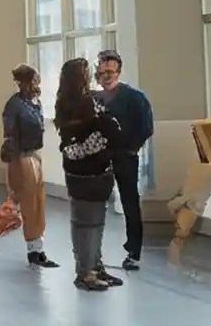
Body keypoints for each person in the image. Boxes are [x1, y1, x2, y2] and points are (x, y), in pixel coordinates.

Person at [0, 64, 58, 268]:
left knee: (29, 203)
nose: (36, 84)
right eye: (33, 80)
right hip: (22, 158)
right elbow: (10, 134)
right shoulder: (14, 105)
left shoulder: (34, 103)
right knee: (29, 204)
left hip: (34, 156)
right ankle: (34, 250)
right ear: (23, 82)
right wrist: (13, 161)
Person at [55, 57, 122, 291]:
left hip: (93, 172)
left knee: (94, 222)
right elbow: (85, 141)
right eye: (86, 71)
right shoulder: (78, 104)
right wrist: (106, 130)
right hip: (87, 173)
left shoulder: (78, 101)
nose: (91, 74)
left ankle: (94, 266)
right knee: (87, 224)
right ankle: (86, 272)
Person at [93, 50, 154, 271]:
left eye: (111, 71)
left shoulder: (134, 97)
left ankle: (133, 252)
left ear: (118, 72)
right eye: (103, 70)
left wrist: (130, 149)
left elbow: (146, 127)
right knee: (96, 204)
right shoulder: (94, 98)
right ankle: (93, 251)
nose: (106, 75)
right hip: (98, 158)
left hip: (125, 158)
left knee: (129, 202)